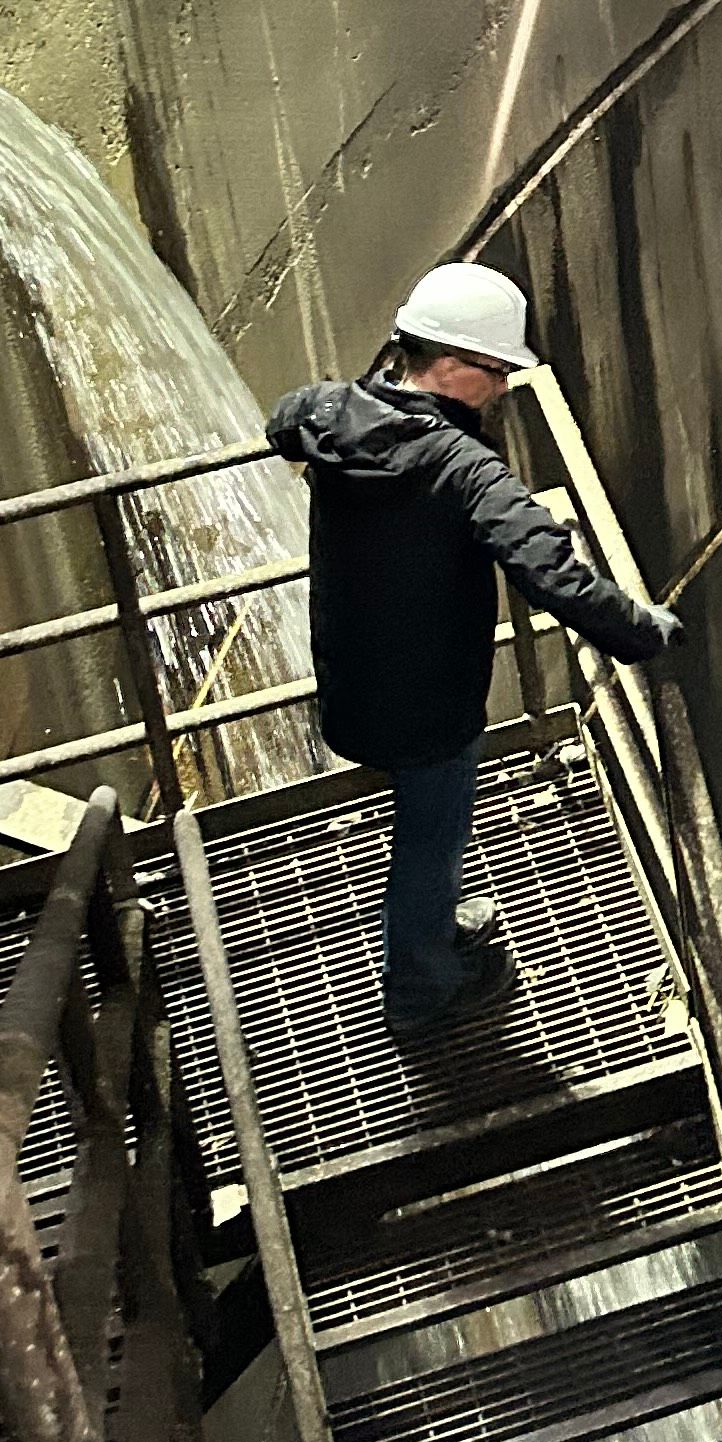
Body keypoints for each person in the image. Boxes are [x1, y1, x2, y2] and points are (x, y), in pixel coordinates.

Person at [270, 261, 678, 1043]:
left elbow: (282, 421)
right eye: (494, 372)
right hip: (429, 703)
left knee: (427, 825)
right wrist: (643, 630)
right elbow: (548, 570)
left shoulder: (329, 414)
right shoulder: (465, 469)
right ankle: (423, 987)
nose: (500, 389)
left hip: (351, 683)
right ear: (452, 367)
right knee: (432, 834)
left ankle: (437, 923)